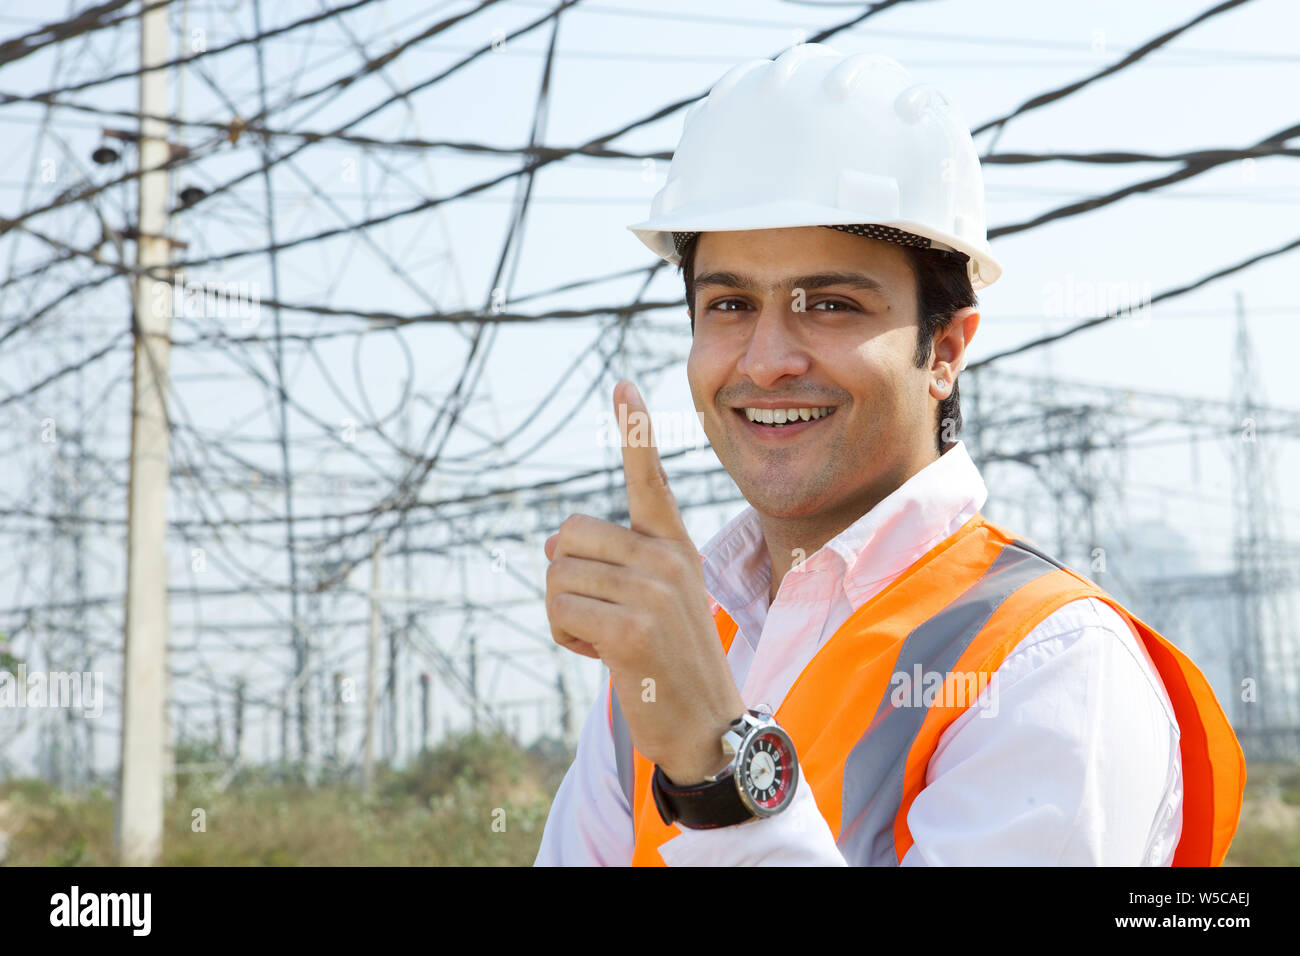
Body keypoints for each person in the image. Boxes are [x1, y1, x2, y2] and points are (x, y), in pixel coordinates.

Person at [534, 44, 1244, 866]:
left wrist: (717, 769)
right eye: (728, 303)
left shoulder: (1046, 663)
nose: (766, 360)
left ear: (945, 349)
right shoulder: (676, 654)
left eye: (830, 305)